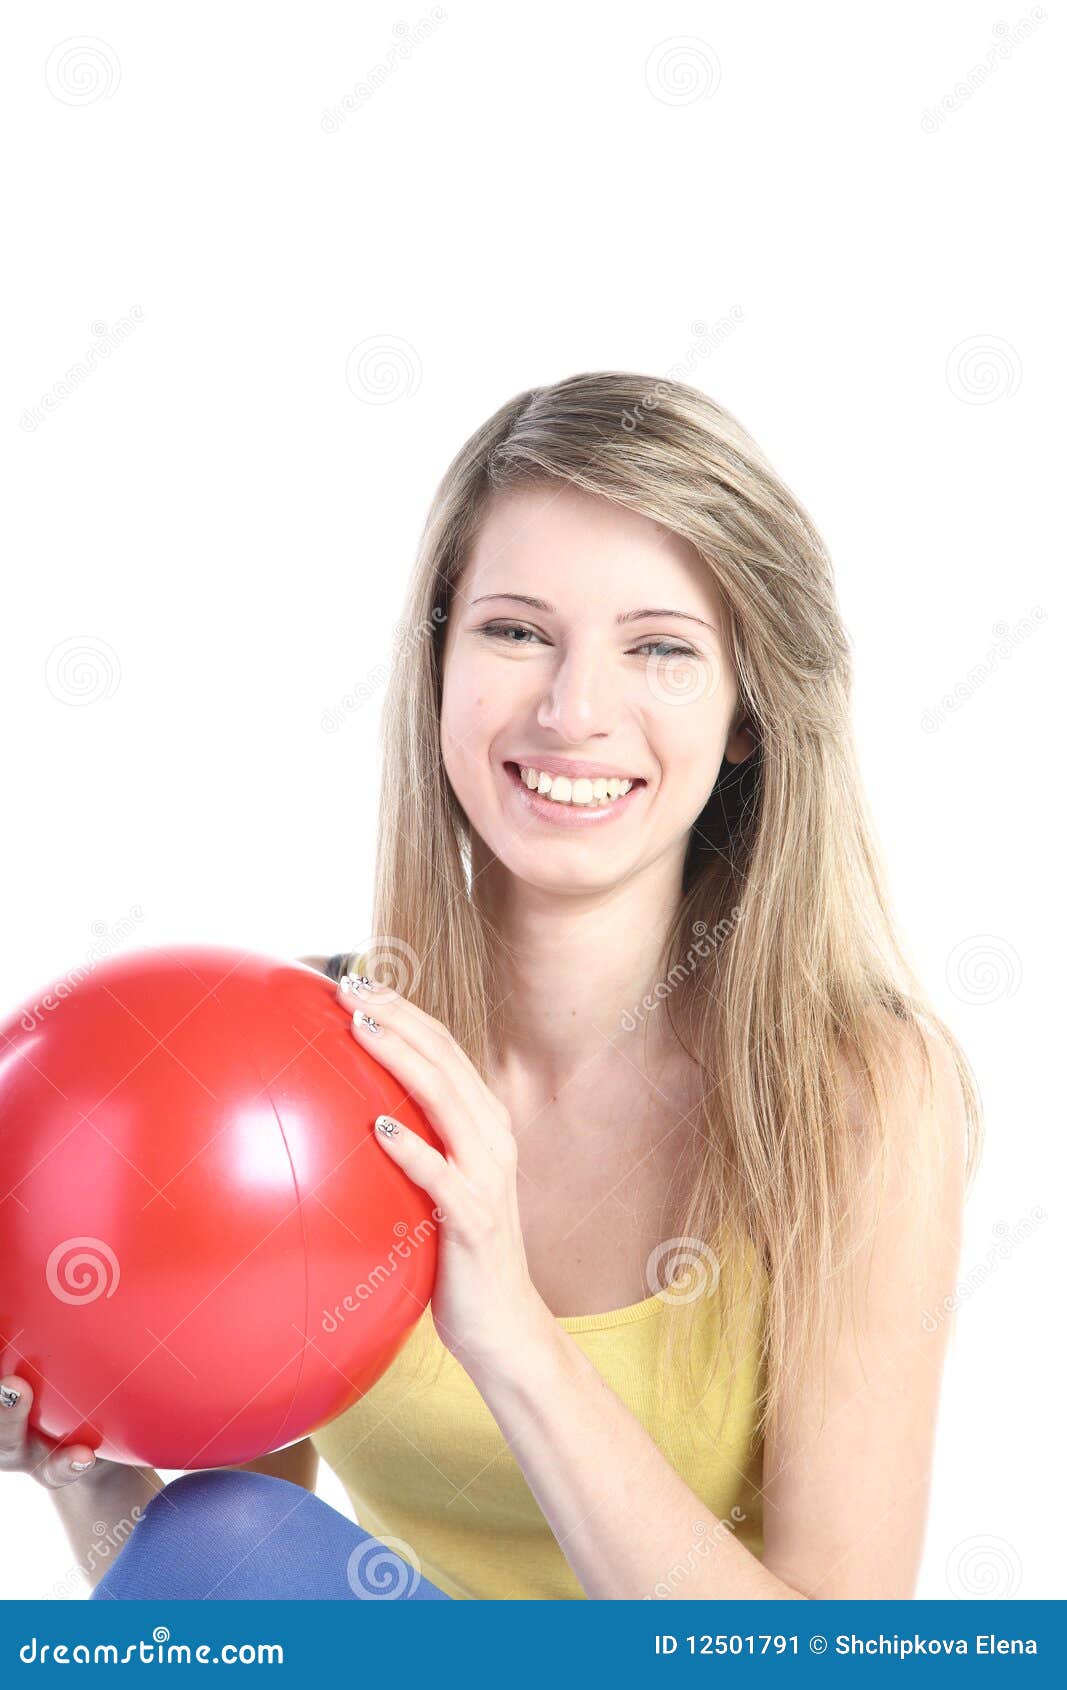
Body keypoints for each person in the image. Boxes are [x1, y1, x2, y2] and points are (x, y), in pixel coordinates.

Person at [2, 372, 982, 1601]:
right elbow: (238, 1599)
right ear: (438, 666)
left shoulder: (857, 1091)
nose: (573, 712)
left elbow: (837, 1662)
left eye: (661, 649)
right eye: (516, 631)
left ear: (748, 713)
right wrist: (83, 1477)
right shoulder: (319, 1058)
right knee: (220, 1541)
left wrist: (507, 1331)